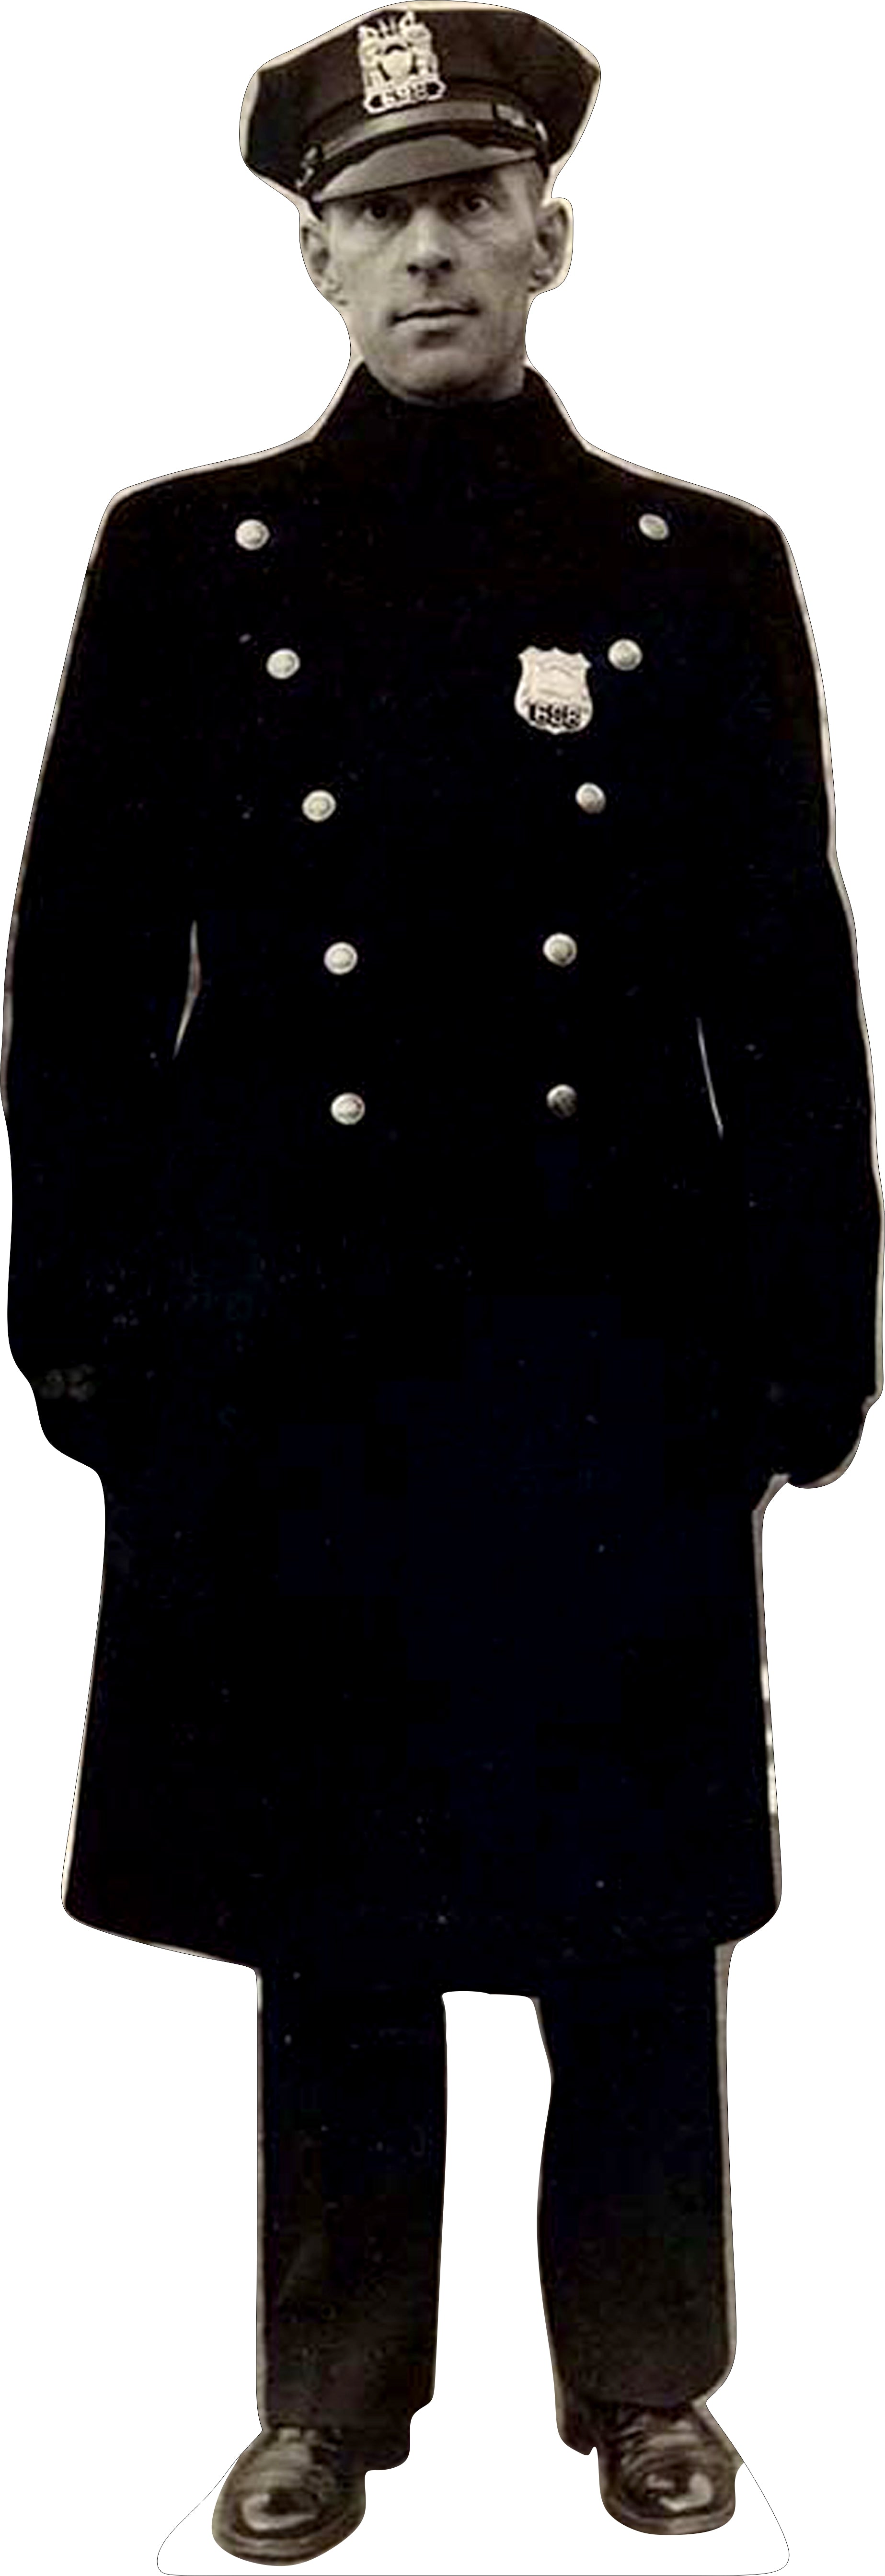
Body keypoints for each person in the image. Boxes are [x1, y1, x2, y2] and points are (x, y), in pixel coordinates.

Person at [3, 5, 880, 2562]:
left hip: (609, 1334)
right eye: (373, 215)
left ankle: (649, 2378)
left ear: (547, 240)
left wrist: (813, 1326)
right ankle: (328, 2393)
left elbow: (782, 985)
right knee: (335, 1884)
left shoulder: (693, 571)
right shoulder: (189, 562)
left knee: (634, 1891)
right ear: (311, 258)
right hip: (297, 1342)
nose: (424, 254)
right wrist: (84, 1320)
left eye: (465, 207)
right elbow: (79, 974)